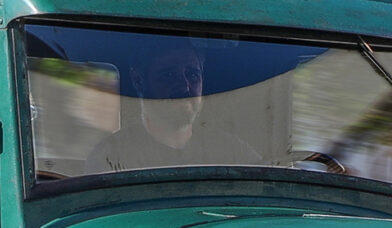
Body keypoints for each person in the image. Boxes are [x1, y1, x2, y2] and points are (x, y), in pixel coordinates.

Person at [83, 39, 263, 173]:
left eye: (192, 75)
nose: (184, 87)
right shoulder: (111, 156)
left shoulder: (232, 151)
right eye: (168, 75)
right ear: (139, 81)